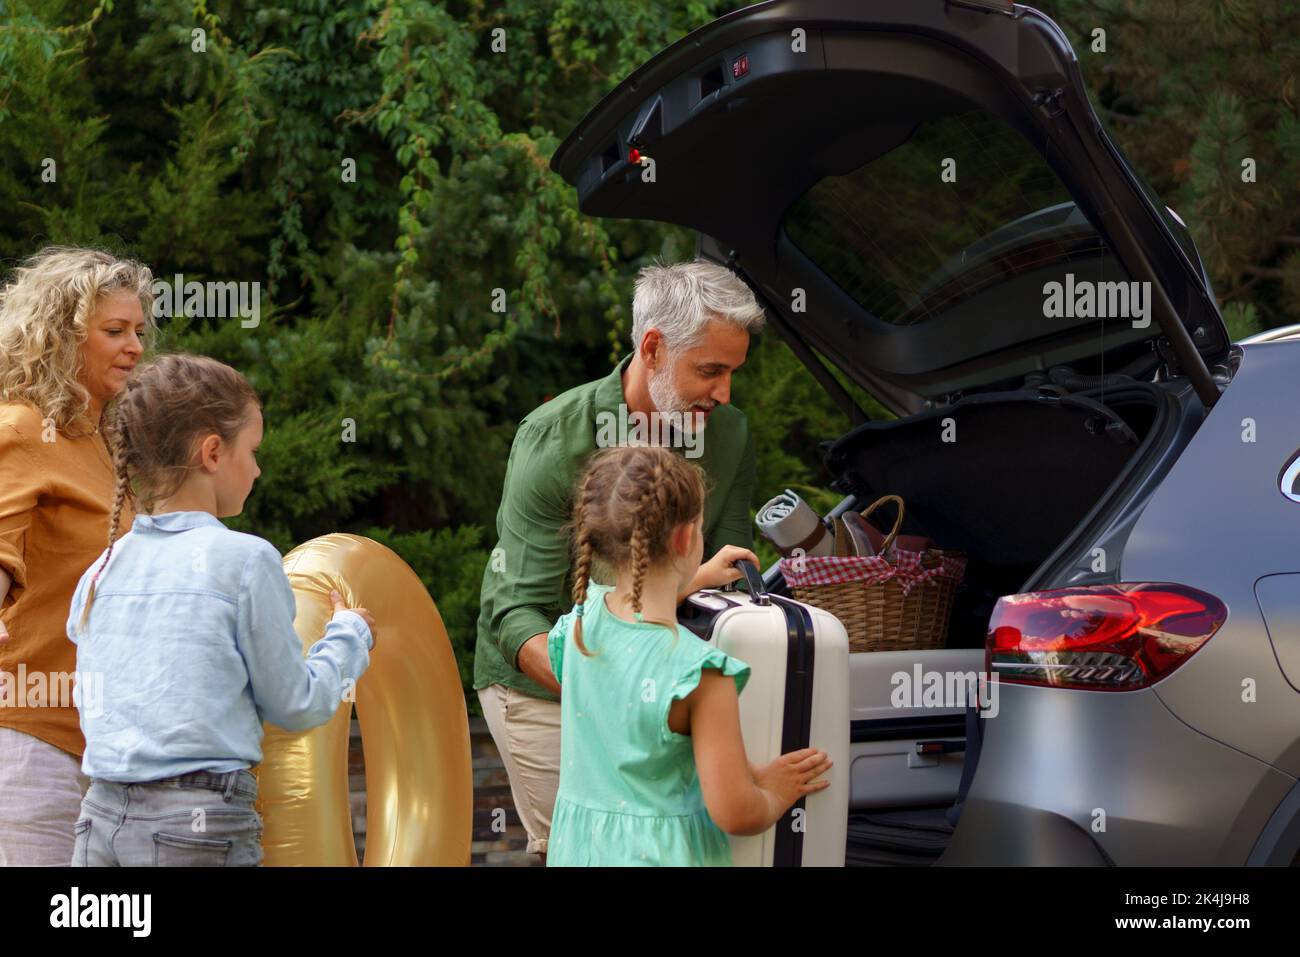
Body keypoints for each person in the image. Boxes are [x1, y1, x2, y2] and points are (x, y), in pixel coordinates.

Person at [474, 259, 767, 861]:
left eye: (733, 372)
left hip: (667, 685)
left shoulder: (730, 434)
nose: (725, 393)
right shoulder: (553, 438)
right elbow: (514, 613)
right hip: (547, 690)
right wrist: (619, 690)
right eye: (709, 371)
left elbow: (727, 589)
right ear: (653, 348)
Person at [65, 353, 375, 867]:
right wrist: (348, 637)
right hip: (198, 823)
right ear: (212, 452)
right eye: (251, 450)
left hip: (100, 818)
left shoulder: (102, 569)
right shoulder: (245, 560)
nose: (256, 468)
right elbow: (295, 704)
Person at [546, 445, 832, 866]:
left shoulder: (577, 626)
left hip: (578, 852)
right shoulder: (699, 673)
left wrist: (697, 577)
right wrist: (775, 792)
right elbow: (735, 812)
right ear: (685, 538)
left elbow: (629, 631)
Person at [0, 247, 152, 866]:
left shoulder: (110, 445)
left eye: (139, 331)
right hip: (27, 736)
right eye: (114, 331)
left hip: (109, 749)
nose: (135, 347)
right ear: (58, 336)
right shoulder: (19, 428)